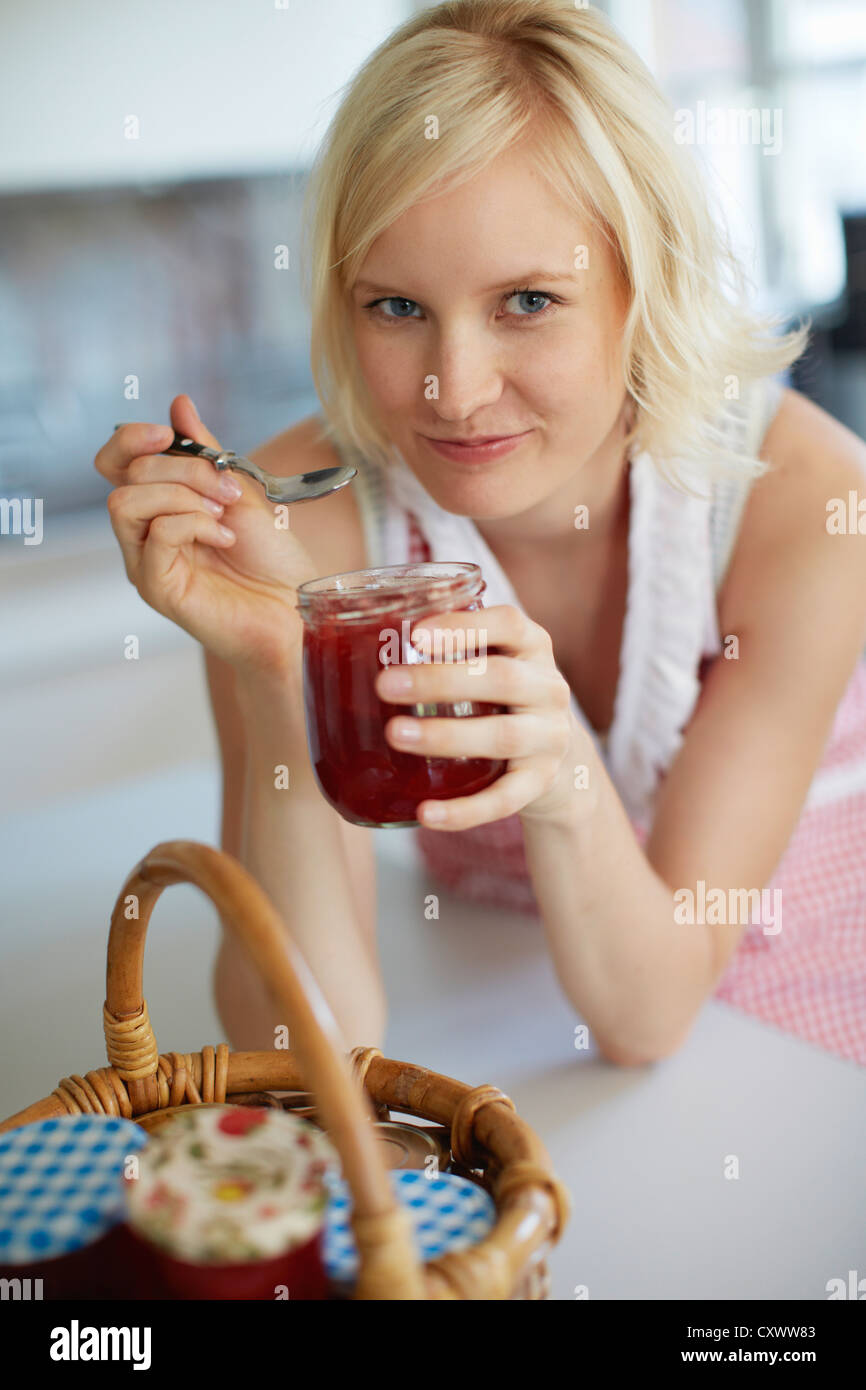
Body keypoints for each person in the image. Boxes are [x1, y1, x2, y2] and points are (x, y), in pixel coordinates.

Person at [94, 0, 866, 1067]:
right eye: (396, 308)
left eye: (527, 301)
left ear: (644, 286)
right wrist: (282, 666)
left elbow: (643, 1020)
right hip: (506, 1002)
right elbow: (299, 1038)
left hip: (806, 1033)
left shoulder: (806, 502)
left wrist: (564, 779)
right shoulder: (296, 521)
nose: (453, 393)